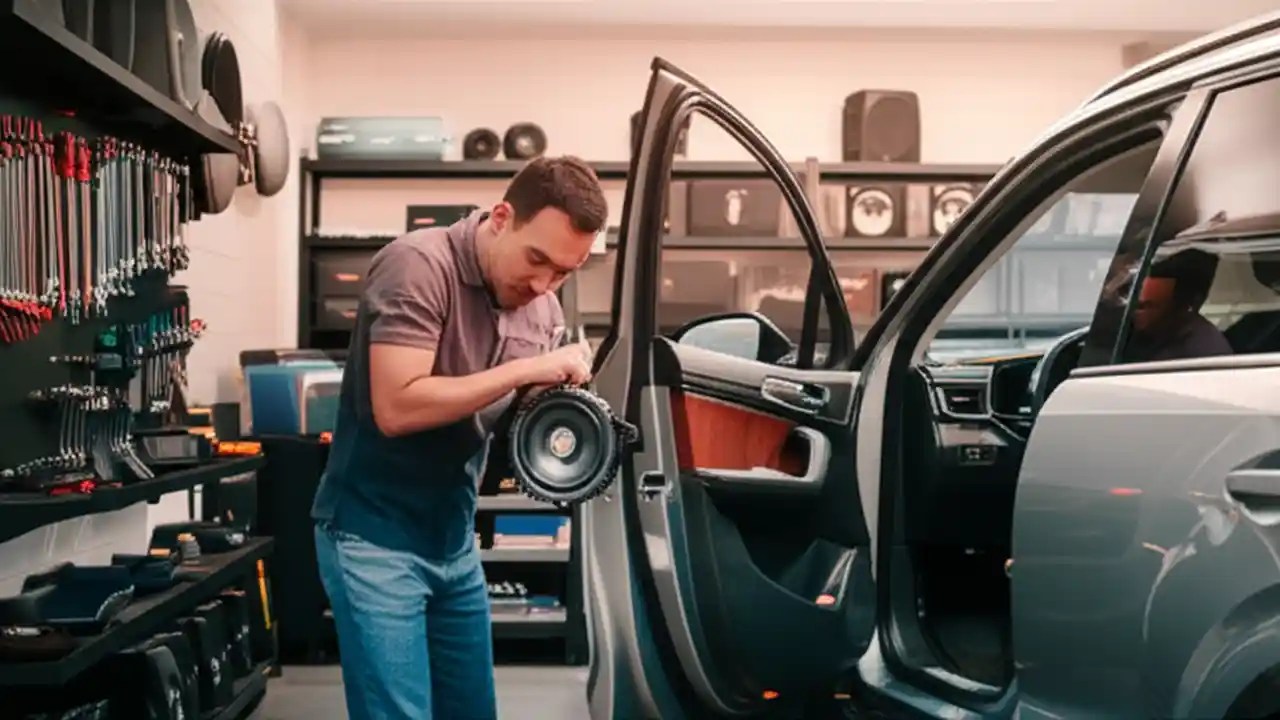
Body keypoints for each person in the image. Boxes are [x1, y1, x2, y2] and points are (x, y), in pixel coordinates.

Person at [311, 156, 607, 720]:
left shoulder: (541, 309)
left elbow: (513, 420)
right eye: (537, 259)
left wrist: (570, 415)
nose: (544, 286)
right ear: (501, 218)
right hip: (373, 538)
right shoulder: (417, 265)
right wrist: (526, 373)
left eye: (565, 273)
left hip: (453, 541)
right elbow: (396, 406)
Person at [1125, 248, 1233, 362]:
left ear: (1187, 304)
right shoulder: (1148, 332)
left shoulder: (1201, 349)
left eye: (1147, 305)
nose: (1134, 312)